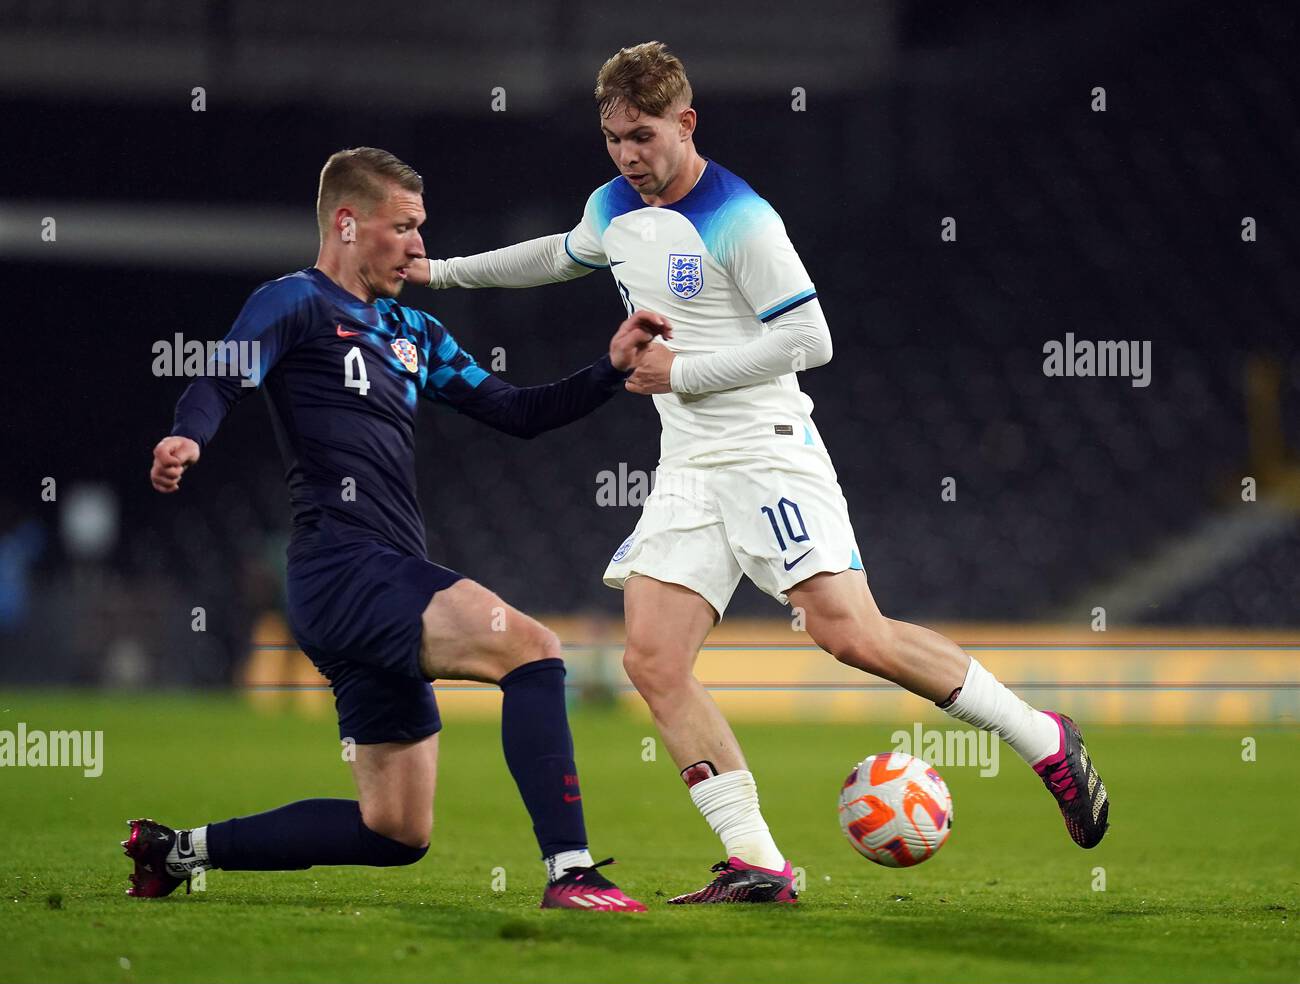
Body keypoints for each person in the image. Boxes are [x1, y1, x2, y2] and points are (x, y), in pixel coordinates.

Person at [407, 43, 1110, 904]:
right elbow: (560, 252)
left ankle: (1041, 736)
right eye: (613, 139)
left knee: (849, 633)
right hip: (688, 465)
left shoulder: (741, 216)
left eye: (643, 136)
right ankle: (761, 864)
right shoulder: (612, 207)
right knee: (653, 660)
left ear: (685, 123)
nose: (628, 156)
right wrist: (439, 271)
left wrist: (685, 375)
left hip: (768, 449)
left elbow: (812, 339)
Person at [126, 146, 670, 912]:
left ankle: (177, 851)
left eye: (422, 229)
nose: (420, 247)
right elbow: (223, 371)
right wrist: (189, 435)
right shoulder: (296, 302)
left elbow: (515, 412)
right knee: (536, 653)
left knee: (396, 832)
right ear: (348, 224)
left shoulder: (414, 331)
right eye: (405, 227)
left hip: (368, 584)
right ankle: (571, 871)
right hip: (345, 567)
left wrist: (609, 367)